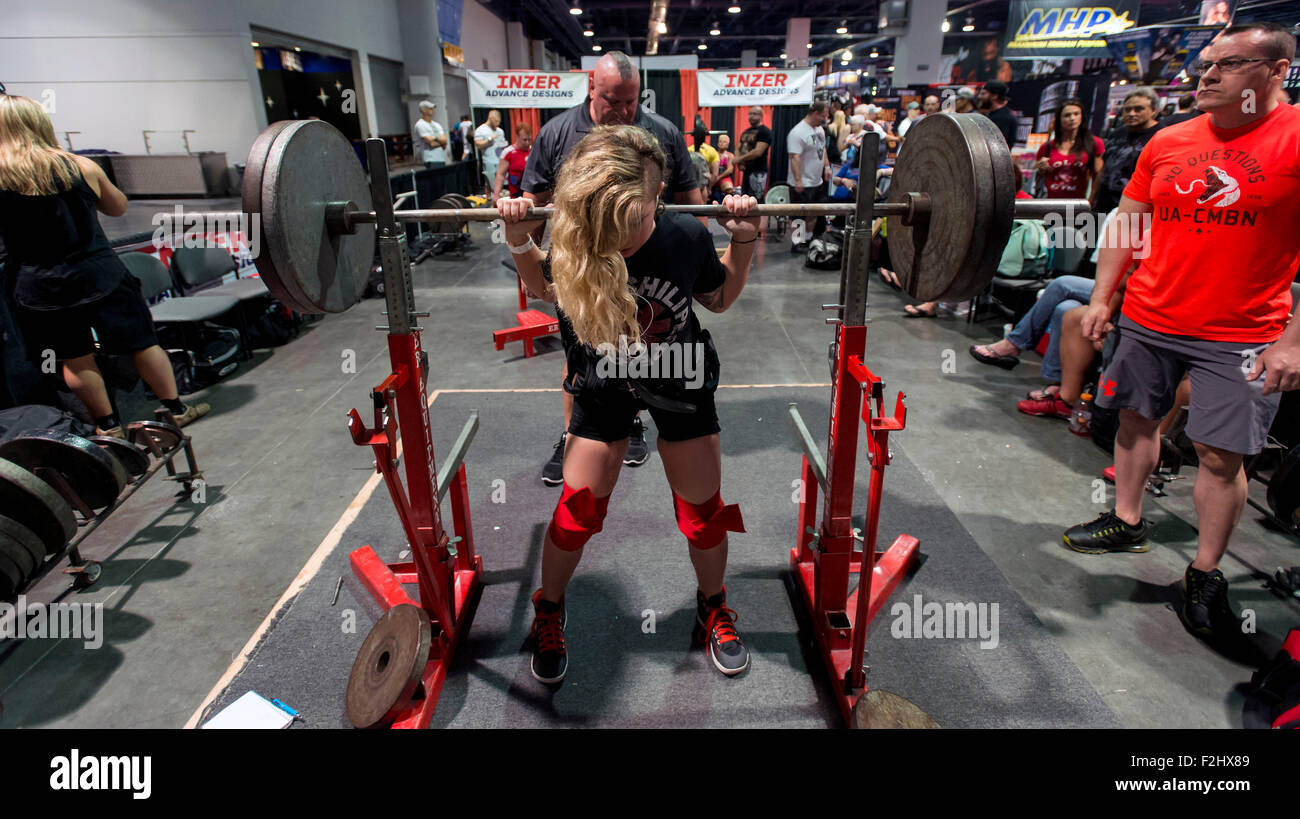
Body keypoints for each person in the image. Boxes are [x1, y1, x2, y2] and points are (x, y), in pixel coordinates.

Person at [498, 125, 761, 683]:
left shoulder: (684, 235)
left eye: (635, 220)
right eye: (608, 224)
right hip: (603, 380)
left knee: (703, 514)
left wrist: (742, 239)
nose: (620, 238)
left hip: (680, 377)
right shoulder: (574, 235)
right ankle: (549, 607)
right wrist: (521, 237)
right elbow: (545, 289)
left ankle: (712, 606)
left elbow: (718, 299)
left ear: (659, 195)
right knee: (576, 512)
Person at [1063, 23, 1300, 641]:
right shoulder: (1169, 140)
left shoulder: (1296, 140)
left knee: (1221, 458)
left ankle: (1205, 571)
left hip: (1243, 333)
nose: (1207, 74)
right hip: (1149, 316)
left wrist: (1295, 340)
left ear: (1276, 72)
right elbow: (1128, 223)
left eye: (1229, 64)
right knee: (1136, 420)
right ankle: (1128, 518)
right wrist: (1102, 296)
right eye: (1206, 63)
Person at [520, 50, 702, 485]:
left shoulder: (661, 133)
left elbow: (695, 202)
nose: (623, 112)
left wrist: (721, 232)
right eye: (612, 101)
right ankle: (574, 434)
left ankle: (630, 421)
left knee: (643, 348)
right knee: (584, 353)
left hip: (647, 264)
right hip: (584, 265)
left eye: (630, 101)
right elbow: (534, 206)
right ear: (591, 89)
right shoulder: (558, 133)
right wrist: (516, 223)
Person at [0, 95, 208, 436]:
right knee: (143, 342)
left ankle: (109, 428)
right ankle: (175, 410)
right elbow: (117, 208)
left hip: (39, 286)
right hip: (101, 275)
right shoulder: (80, 166)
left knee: (74, 358)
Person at [1091, 87, 1161, 215]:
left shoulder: (1163, 136)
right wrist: (1093, 196)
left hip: (1138, 211)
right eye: (1127, 109)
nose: (1132, 113)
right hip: (1104, 207)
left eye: (1139, 109)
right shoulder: (1117, 133)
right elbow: (1104, 167)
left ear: (1153, 110)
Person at [1033, 97, 1105, 200]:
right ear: (1059, 119)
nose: (1072, 118)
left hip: (1078, 203)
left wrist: (1092, 199)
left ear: (1082, 117)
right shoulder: (1047, 147)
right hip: (1050, 202)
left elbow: (1098, 175)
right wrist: (1041, 167)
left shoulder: (1094, 143)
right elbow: (1037, 172)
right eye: (1067, 115)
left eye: (1076, 114)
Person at [786, 100, 831, 251]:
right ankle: (797, 243)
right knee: (798, 217)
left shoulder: (819, 130)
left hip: (816, 181)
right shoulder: (798, 132)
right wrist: (798, 180)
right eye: (823, 116)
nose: (824, 119)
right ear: (815, 113)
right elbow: (794, 157)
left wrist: (827, 166)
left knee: (814, 213)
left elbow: (822, 149)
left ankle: (808, 239)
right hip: (801, 183)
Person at [735, 105, 773, 200]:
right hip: (746, 171)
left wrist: (739, 159)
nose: (751, 116)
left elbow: (757, 152)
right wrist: (739, 163)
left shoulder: (765, 132)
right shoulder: (746, 132)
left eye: (754, 114)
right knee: (745, 199)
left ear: (760, 116)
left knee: (755, 201)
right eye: (750, 114)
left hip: (758, 172)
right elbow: (738, 148)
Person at [493, 122, 532, 202]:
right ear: (517, 137)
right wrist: (496, 194)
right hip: (515, 197)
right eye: (524, 140)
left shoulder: (534, 151)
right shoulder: (508, 152)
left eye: (529, 139)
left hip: (531, 195)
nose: (527, 143)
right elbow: (500, 175)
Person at [473, 110, 506, 196]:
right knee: (490, 184)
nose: (498, 123)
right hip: (489, 162)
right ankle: (491, 201)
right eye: (496, 121)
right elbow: (478, 145)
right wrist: (489, 140)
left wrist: (504, 144)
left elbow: (502, 143)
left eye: (499, 121)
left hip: (500, 161)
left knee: (502, 184)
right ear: (490, 118)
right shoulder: (481, 130)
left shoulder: (500, 131)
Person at [978, 80, 1019, 148]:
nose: (979, 97)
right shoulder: (995, 115)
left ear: (994, 96)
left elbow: (997, 146)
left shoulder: (1003, 117)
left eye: (983, 94)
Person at [688, 124, 719, 199]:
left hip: (690, 187)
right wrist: (709, 188)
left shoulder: (688, 150)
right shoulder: (712, 150)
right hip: (702, 187)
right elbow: (715, 174)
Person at [413, 101, 448, 168]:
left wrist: (435, 138)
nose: (433, 110)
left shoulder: (437, 124)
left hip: (441, 159)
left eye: (433, 108)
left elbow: (445, 141)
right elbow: (431, 143)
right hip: (430, 159)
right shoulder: (420, 125)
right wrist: (441, 142)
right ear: (423, 110)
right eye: (430, 108)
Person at [711, 133, 736, 202]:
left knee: (729, 189)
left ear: (728, 145)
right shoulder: (713, 153)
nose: (722, 143)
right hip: (713, 176)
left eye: (724, 142)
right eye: (720, 141)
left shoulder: (730, 155)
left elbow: (730, 170)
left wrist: (719, 177)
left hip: (724, 177)